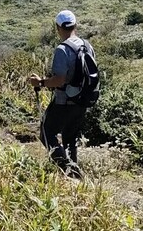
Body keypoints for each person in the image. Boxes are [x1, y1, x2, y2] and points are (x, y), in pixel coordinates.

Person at [26, 10, 94, 177]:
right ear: (75, 25)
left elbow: (60, 80)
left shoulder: (62, 50)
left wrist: (41, 82)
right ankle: (73, 173)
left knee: (46, 131)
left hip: (63, 101)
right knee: (70, 138)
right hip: (82, 100)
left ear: (58, 28)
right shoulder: (87, 45)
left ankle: (67, 169)